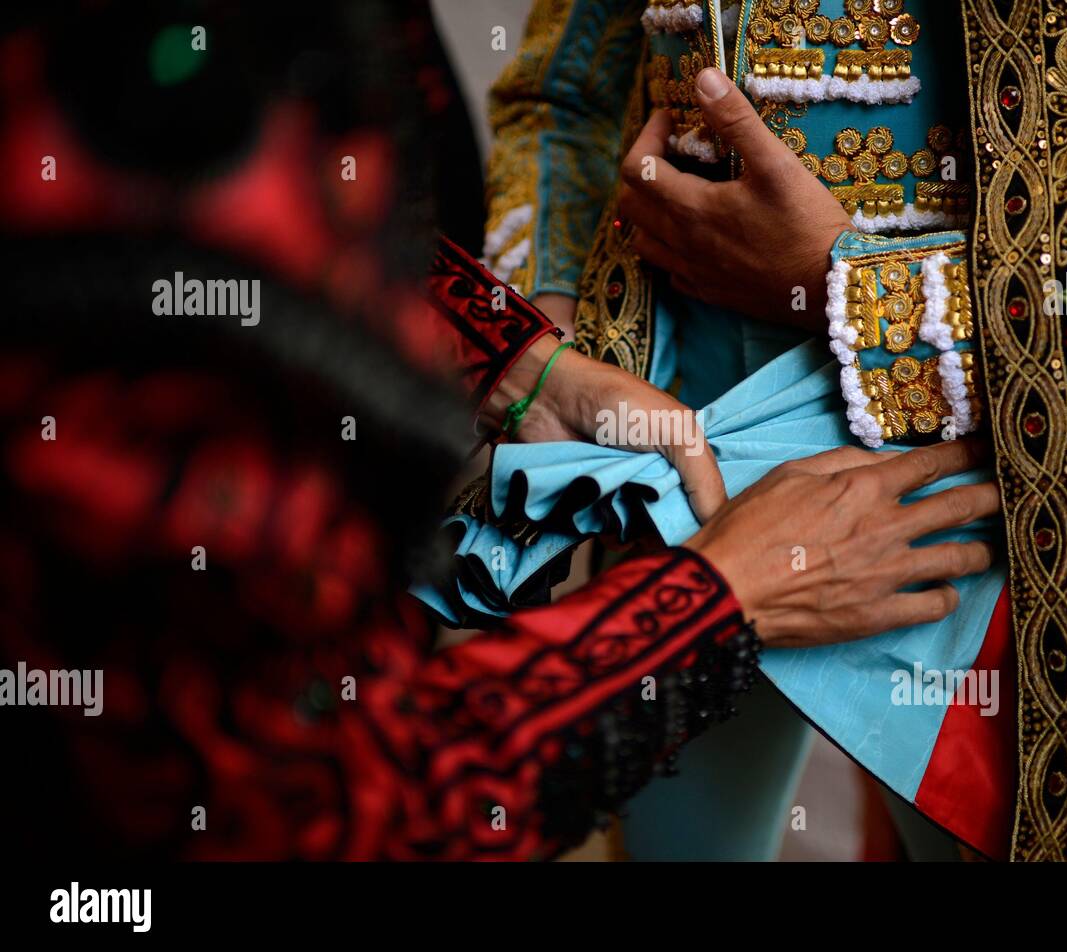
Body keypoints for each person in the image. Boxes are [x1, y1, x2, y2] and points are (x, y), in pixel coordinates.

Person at [0, 0, 996, 860]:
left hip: (959, 465)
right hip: (670, 443)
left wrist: (520, 363)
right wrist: (707, 609)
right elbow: (317, 809)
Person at [474, 0, 1013, 859]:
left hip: (973, 471)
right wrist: (546, 346)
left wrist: (846, 286)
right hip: (675, 436)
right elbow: (563, 99)